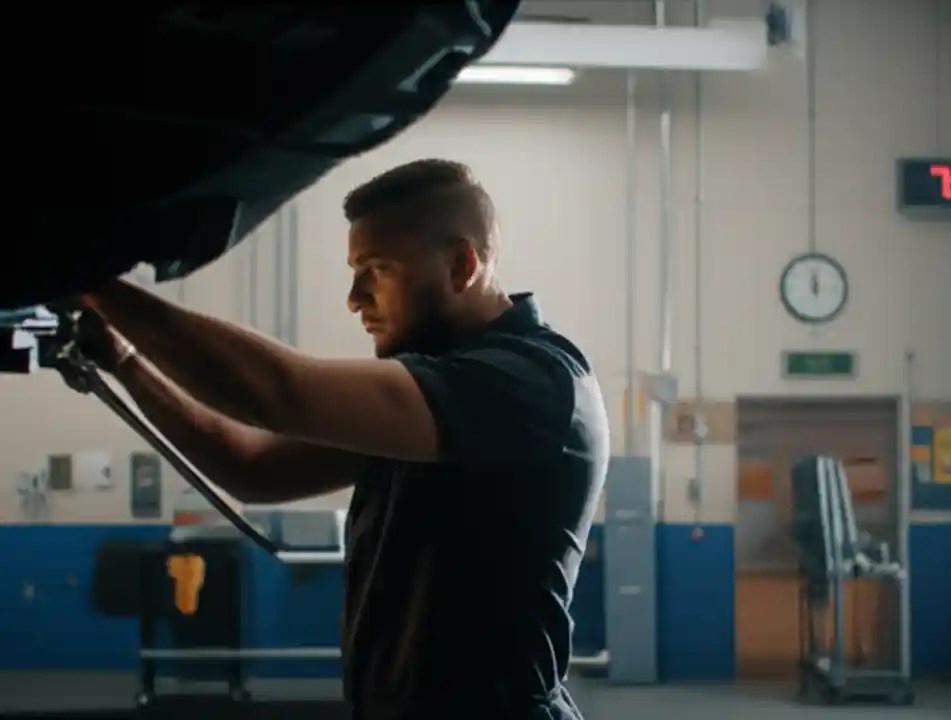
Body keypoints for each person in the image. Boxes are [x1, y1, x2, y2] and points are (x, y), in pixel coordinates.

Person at [78, 159, 609, 719]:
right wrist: (124, 360)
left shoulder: (525, 383)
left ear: (462, 265)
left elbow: (280, 393)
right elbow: (252, 468)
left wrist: (90, 281)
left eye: (378, 270)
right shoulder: (445, 391)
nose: (355, 298)